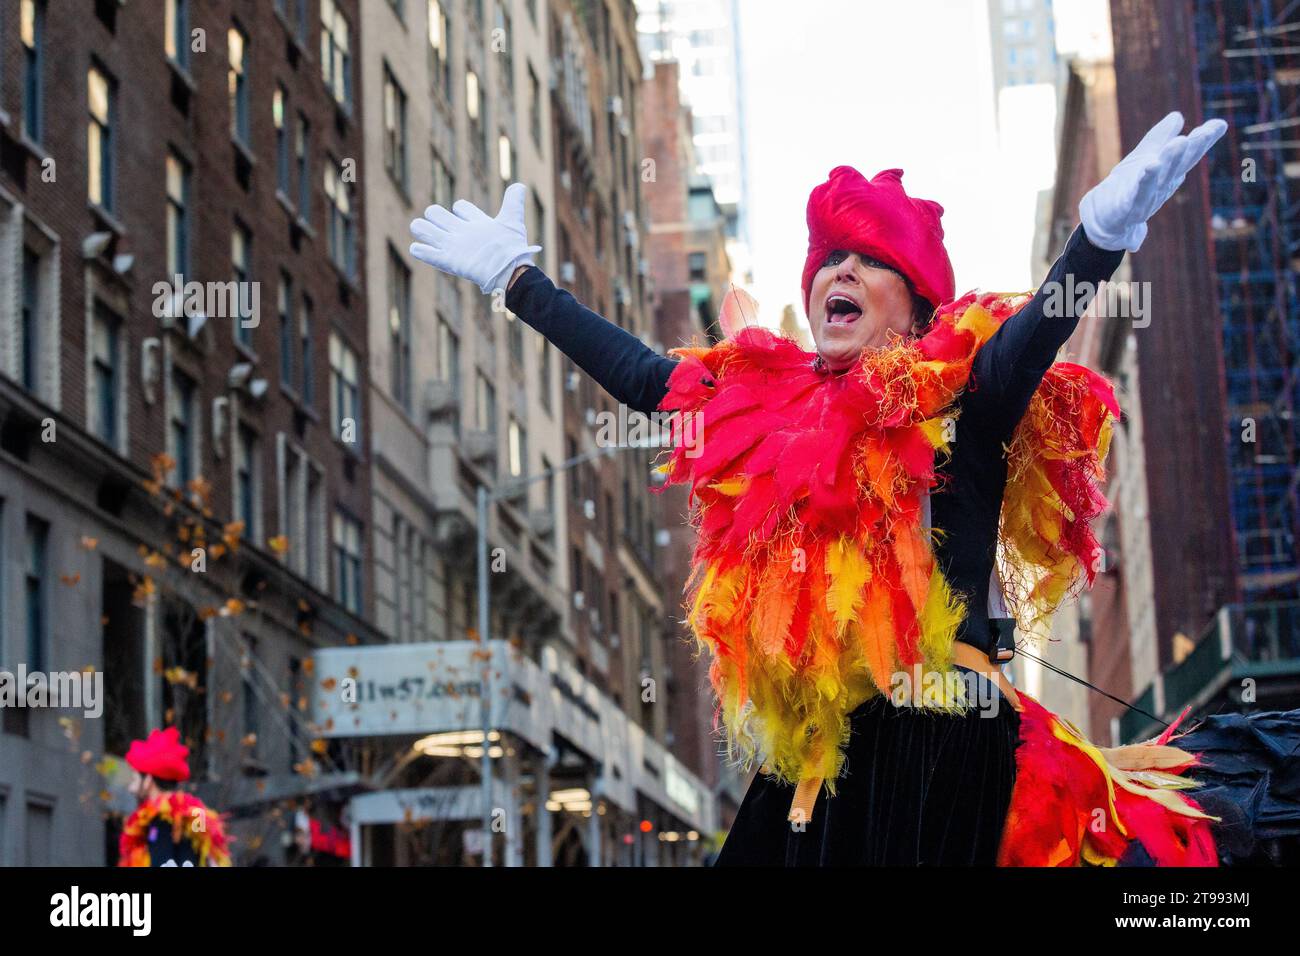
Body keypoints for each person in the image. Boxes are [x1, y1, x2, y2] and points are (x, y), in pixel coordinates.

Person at [411, 111, 1243, 866]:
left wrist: (1098, 239)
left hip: (943, 735)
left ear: (916, 310)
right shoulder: (763, 408)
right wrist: (519, 283)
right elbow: (643, 379)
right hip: (825, 750)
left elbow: (1031, 341)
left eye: (870, 261)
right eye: (829, 258)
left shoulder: (963, 396)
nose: (839, 270)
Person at [118, 727, 232, 867]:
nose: (130, 787)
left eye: (134, 779)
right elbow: (206, 852)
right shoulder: (196, 812)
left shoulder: (158, 817)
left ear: (148, 780)